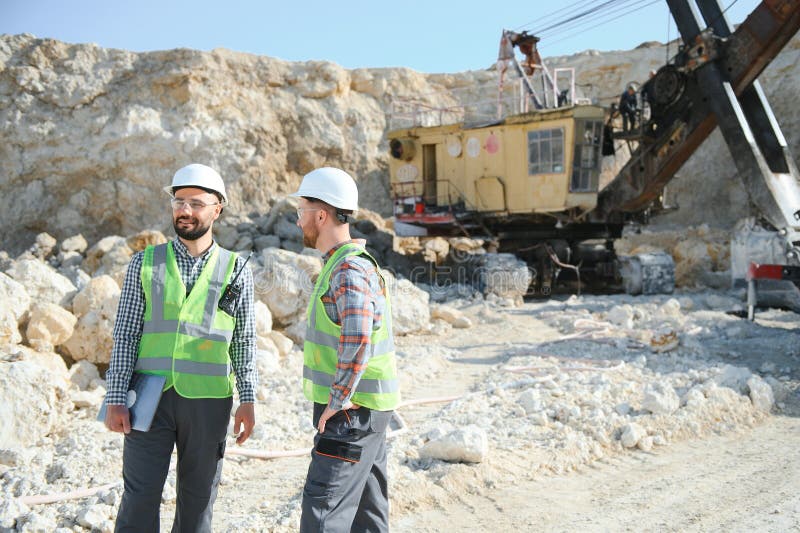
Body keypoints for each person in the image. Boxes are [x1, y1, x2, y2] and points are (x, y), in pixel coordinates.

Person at [104, 163, 257, 532]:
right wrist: (115, 396)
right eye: (179, 201)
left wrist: (249, 398)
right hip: (147, 399)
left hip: (208, 400)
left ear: (217, 208)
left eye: (196, 203)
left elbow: (244, 340)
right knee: (139, 498)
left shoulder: (236, 269)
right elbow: (125, 334)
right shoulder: (145, 262)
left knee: (199, 498)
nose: (184, 210)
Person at [292, 167, 400, 532]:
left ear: (320, 215)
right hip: (366, 408)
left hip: (352, 412)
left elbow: (358, 336)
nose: (298, 218)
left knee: (323, 511)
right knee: (366, 514)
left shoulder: (347, 270)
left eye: (301, 209)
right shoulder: (343, 265)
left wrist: (338, 399)